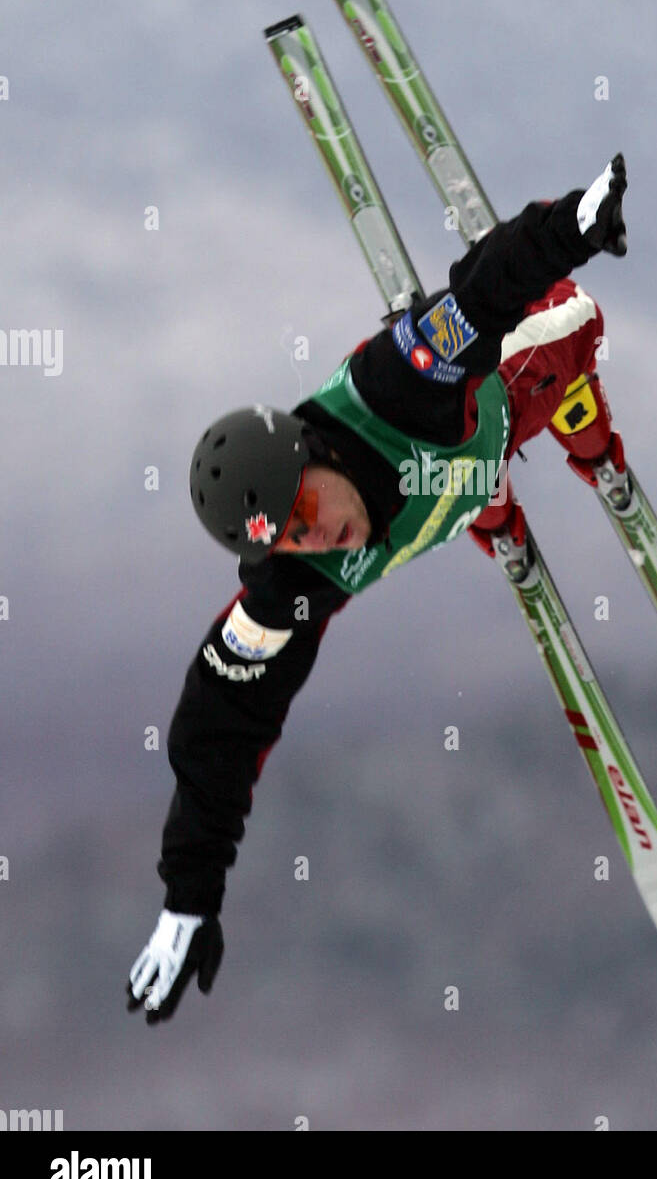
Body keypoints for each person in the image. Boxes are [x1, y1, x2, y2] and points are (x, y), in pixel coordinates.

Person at [126, 156, 628, 1023]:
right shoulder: (293, 584)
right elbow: (217, 723)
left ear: (312, 454)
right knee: (449, 493)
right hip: (454, 480)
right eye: (285, 539)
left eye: (303, 511)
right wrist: (187, 897)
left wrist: (568, 228)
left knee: (573, 332)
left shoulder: (394, 384)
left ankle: (584, 452)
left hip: (501, 384)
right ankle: (490, 509)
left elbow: (481, 294)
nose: (311, 537)